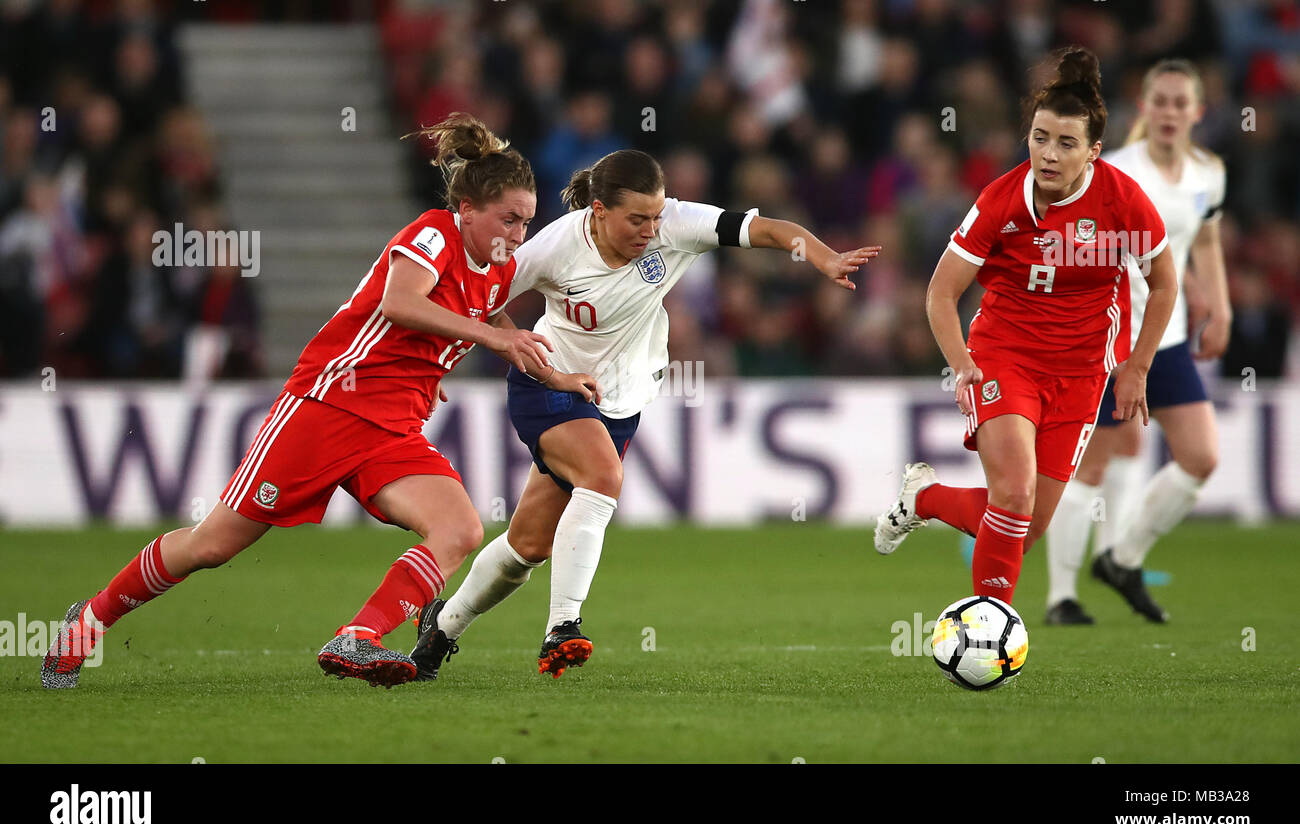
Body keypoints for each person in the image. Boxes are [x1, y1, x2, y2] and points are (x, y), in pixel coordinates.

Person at [41, 113, 598, 689]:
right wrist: (494, 337)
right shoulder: (434, 233)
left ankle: (358, 637)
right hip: (328, 408)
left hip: (392, 432)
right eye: (508, 219)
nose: (518, 236)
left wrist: (554, 377)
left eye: (527, 223)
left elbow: (487, 321)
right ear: (467, 210)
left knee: (459, 528)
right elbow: (399, 304)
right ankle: (87, 621)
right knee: (212, 546)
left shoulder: (490, 273)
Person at [409, 148, 881, 680]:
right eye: (637, 219)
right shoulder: (556, 247)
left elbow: (768, 230)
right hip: (549, 382)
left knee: (528, 547)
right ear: (597, 210)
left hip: (620, 401)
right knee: (604, 475)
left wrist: (822, 258)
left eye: (656, 216)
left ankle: (440, 628)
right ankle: (563, 625)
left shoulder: (676, 225)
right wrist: (468, 357)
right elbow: (477, 298)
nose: (650, 229)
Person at [873, 47, 1178, 609]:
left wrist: (1138, 366)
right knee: (1013, 494)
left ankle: (927, 498)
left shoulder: (1122, 200)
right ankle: (991, 632)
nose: (1049, 154)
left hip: (1083, 373)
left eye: (1066, 143)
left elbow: (1164, 283)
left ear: (1094, 152)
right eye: (1040, 137)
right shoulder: (1000, 201)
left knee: (1026, 525)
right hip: (1004, 357)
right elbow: (941, 292)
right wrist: (963, 362)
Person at [1044, 59, 1229, 625]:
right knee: (1094, 463)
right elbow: (1073, 239)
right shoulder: (1114, 171)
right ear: (1144, 108)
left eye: (1181, 103)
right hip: (1108, 334)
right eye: (1161, 101)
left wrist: (1218, 304)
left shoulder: (1209, 173)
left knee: (1200, 457)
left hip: (1165, 336)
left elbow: (1204, 240)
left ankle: (1122, 559)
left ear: (1198, 112)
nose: (1170, 112)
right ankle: (1060, 597)